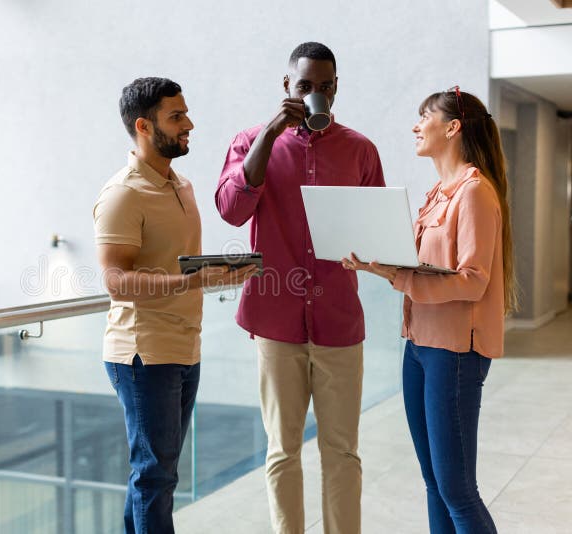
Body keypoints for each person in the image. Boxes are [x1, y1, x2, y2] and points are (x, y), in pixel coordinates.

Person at [216, 42, 385, 534]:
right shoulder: (252, 141)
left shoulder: (361, 150)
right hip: (274, 320)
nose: (316, 95)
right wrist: (271, 133)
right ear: (286, 86)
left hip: (338, 319)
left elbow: (374, 231)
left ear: (336, 88)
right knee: (282, 450)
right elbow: (231, 209)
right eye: (305, 86)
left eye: (325, 87)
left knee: (342, 452)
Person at [342, 87, 515, 533]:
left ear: (453, 127)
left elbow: (473, 280)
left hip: (454, 352)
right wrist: (374, 265)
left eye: (425, 117)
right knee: (434, 482)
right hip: (419, 346)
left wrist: (401, 278)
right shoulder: (439, 191)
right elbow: (423, 271)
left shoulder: (474, 192)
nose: (417, 126)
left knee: (457, 489)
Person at [94, 76, 257, 534]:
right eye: (176, 116)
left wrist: (215, 273)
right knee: (155, 477)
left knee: (154, 476)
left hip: (185, 347)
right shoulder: (122, 193)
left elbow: (177, 265)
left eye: (186, 112)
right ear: (144, 127)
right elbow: (115, 280)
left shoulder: (181, 185)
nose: (190, 123)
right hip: (144, 353)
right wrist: (195, 281)